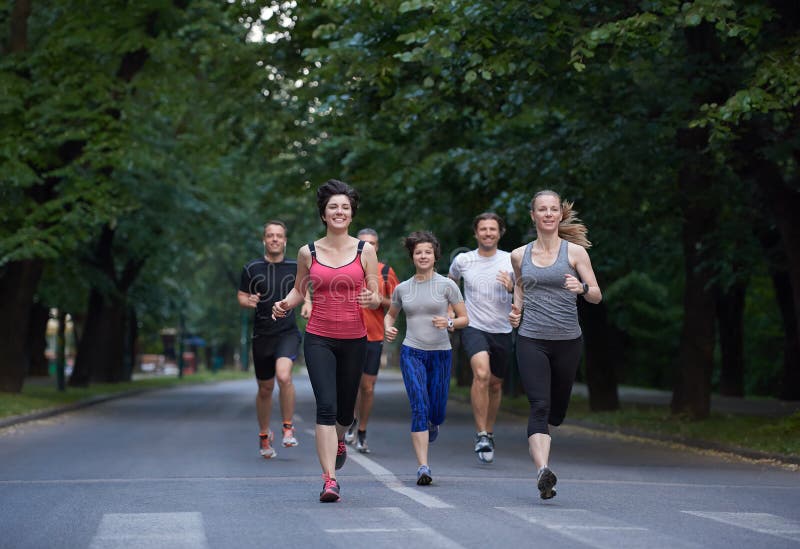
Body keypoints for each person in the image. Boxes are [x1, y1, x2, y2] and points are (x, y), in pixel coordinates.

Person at [272, 179, 381, 503]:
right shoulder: (308, 251)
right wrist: (284, 304)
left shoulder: (366, 251)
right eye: (333, 206)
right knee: (326, 406)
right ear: (324, 213)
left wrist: (371, 298)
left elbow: (375, 293)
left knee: (345, 413)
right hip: (319, 336)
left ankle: (340, 439)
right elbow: (299, 290)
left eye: (345, 207)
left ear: (351, 214)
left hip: (354, 338)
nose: (339, 211)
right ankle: (329, 480)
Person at [508, 190, 602, 500]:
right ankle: (543, 472)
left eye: (553, 209)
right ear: (533, 216)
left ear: (560, 216)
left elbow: (597, 295)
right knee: (540, 405)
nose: (548, 214)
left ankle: (546, 452)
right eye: (542, 209)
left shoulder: (574, 253)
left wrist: (582, 286)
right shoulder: (519, 255)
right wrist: (517, 309)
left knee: (556, 411)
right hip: (531, 338)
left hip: (567, 341)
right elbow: (521, 285)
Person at [384, 231, 468, 486]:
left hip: (441, 354)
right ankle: (423, 466)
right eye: (418, 252)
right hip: (412, 352)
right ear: (412, 256)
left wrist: (450, 321)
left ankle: (434, 422)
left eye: (427, 252)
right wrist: (388, 327)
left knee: (437, 410)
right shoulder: (403, 288)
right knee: (419, 406)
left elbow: (465, 318)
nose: (423, 256)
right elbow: (390, 315)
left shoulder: (447, 285)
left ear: (435, 256)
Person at [449, 213, 514, 464]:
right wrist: (451, 311)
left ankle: (489, 429)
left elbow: (524, 293)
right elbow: (451, 283)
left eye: (492, 229)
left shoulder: (511, 260)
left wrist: (511, 286)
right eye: (483, 229)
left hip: (503, 329)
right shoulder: (464, 260)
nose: (488, 233)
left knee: (496, 384)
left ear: (500, 232)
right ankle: (481, 434)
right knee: (482, 375)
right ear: (476, 233)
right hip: (474, 326)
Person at [237, 220, 301, 459]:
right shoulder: (251, 268)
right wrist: (248, 301)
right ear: (264, 240)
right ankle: (264, 435)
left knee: (284, 375)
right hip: (262, 334)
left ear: (285, 240)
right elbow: (242, 296)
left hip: (287, 332)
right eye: (270, 235)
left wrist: (309, 306)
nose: (274, 239)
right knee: (265, 388)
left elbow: (306, 292)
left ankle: (287, 428)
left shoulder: (296, 266)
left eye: (279, 235)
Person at [341, 228, 400, 454]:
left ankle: (362, 430)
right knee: (350, 385)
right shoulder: (344, 268)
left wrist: (377, 300)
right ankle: (350, 421)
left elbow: (395, 304)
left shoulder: (385, 271)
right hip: (347, 335)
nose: (369, 246)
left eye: (373, 243)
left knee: (367, 386)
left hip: (372, 336)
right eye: (364, 243)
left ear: (377, 247)